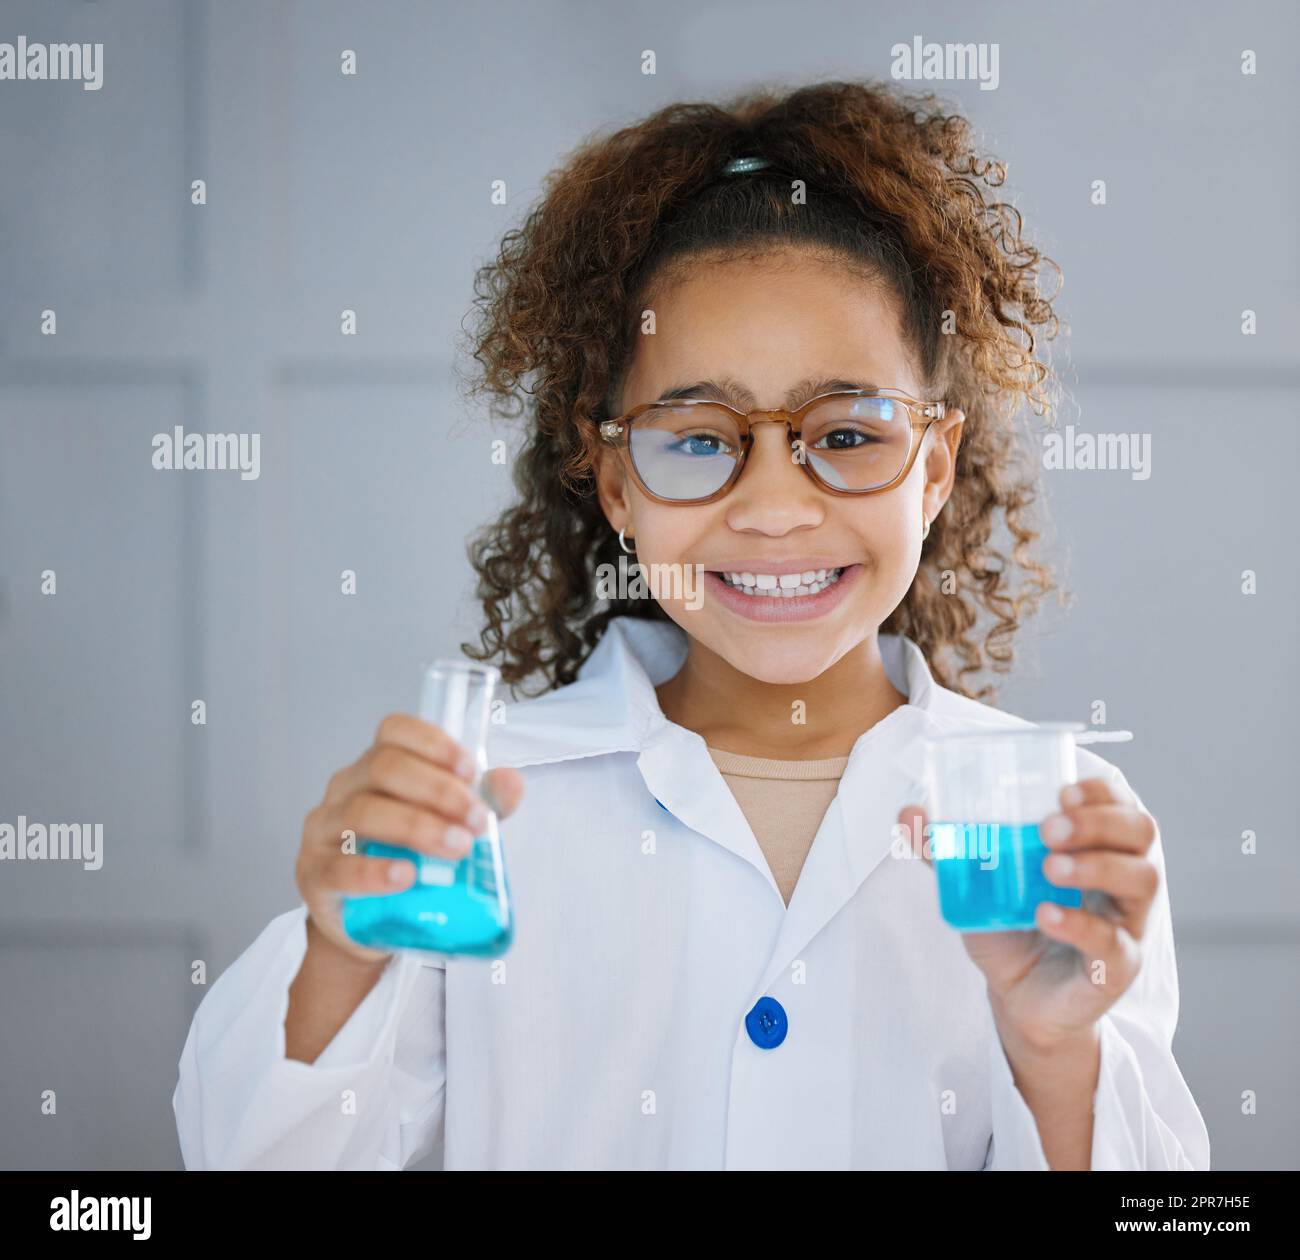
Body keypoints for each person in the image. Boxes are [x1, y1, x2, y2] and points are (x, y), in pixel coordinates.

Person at [172, 80, 1209, 1170]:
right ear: (616, 482)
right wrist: (341, 952)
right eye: (697, 439)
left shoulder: (1057, 832)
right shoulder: (477, 820)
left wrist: (1056, 1055)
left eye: (848, 435)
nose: (773, 508)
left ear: (934, 468)